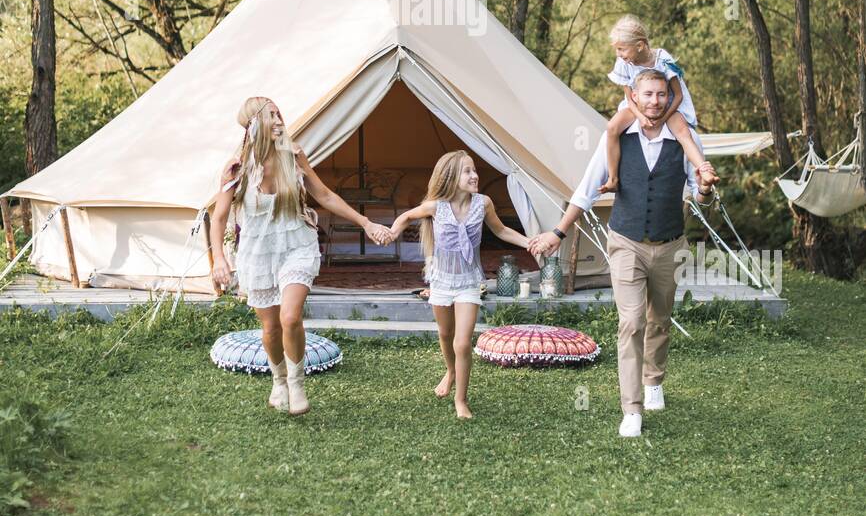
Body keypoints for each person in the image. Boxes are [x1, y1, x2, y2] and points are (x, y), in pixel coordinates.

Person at [529, 69, 716, 438]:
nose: (654, 102)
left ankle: (654, 380)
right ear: (633, 96)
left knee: (660, 318)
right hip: (626, 243)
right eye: (647, 94)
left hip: (669, 245)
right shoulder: (616, 138)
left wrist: (706, 189)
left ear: (669, 97)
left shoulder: (684, 137)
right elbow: (585, 191)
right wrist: (557, 232)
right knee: (631, 322)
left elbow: (701, 195)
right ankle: (631, 409)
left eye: (661, 95)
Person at [209, 97, 392, 415]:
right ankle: (278, 381)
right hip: (259, 253)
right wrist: (220, 260)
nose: (280, 120)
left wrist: (365, 222)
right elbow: (219, 217)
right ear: (255, 124)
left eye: (280, 113)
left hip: (297, 244)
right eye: (272, 115)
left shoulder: (293, 156)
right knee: (270, 329)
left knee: (290, 316)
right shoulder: (237, 168)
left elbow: (323, 194)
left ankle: (296, 383)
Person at [388, 150, 531, 419]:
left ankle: (461, 400)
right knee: (445, 334)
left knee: (462, 342)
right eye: (467, 171)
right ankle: (450, 371)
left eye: (474, 170)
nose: (474, 175)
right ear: (451, 177)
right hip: (441, 280)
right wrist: (393, 231)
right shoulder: (436, 207)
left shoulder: (483, 203)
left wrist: (530, 242)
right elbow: (407, 216)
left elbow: (501, 230)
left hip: (468, 282)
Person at [599, 14, 718, 194]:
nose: (619, 54)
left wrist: (663, 118)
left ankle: (703, 170)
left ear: (639, 46)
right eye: (617, 50)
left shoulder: (662, 59)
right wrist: (639, 116)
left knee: (683, 133)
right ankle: (613, 178)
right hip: (637, 105)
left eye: (622, 49)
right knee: (612, 127)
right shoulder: (623, 63)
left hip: (667, 104)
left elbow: (677, 95)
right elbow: (629, 98)